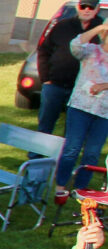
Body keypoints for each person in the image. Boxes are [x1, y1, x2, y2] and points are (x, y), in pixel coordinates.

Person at [54, 22, 108, 197]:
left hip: (104, 113)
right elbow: (75, 45)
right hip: (80, 107)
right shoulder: (91, 50)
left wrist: (104, 86)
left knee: (92, 153)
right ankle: (60, 185)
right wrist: (99, 28)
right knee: (72, 148)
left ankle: (80, 188)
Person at [36, 0, 103, 139]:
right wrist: (45, 78)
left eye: (91, 7)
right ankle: (37, 151)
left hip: (83, 90)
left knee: (73, 131)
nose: (86, 10)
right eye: (83, 6)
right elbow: (43, 50)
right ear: (77, 7)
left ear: (97, 9)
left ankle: (65, 152)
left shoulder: (102, 30)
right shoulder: (62, 25)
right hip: (55, 84)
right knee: (45, 125)